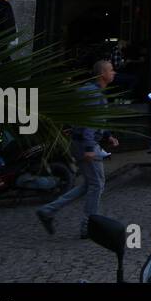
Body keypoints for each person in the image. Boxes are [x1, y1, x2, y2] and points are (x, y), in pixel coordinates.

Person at [38, 60, 118, 239]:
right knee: (97, 185)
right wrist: (90, 147)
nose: (114, 73)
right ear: (102, 74)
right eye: (111, 70)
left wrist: (107, 136)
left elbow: (93, 120)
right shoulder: (94, 94)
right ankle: (87, 226)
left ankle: (48, 210)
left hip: (82, 142)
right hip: (85, 145)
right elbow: (88, 121)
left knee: (90, 184)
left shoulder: (91, 92)